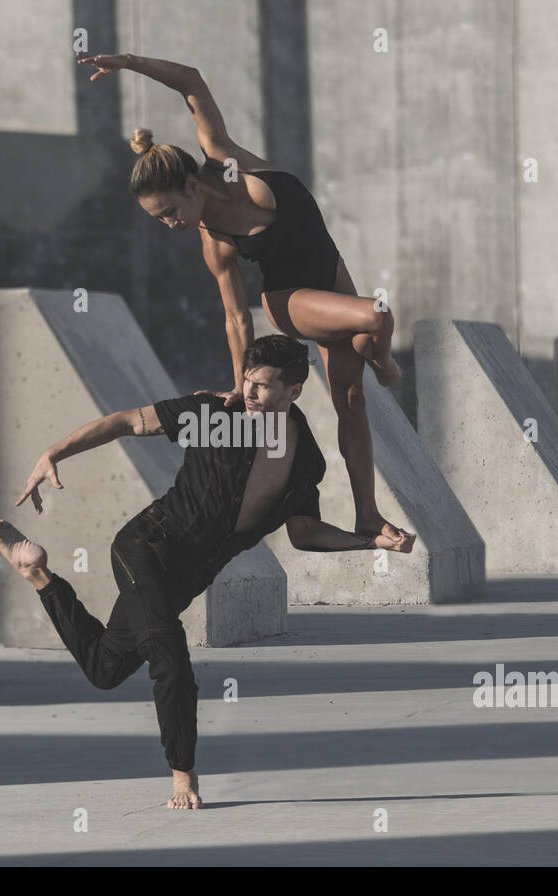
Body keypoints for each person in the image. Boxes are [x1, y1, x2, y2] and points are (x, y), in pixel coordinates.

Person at [0, 335, 413, 810]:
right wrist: (54, 453)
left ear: (294, 390)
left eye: (265, 386)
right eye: (248, 382)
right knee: (172, 663)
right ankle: (182, 777)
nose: (250, 393)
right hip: (144, 546)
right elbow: (125, 422)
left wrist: (369, 541)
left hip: (185, 579)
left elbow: (304, 532)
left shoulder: (305, 459)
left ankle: (38, 575)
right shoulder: (212, 414)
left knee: (105, 668)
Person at [78, 51, 413, 549]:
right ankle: (385, 362)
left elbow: (191, 80)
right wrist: (240, 386)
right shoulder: (214, 241)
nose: (170, 224)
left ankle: (367, 516)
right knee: (376, 316)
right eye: (159, 220)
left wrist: (127, 62)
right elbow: (236, 318)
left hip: (332, 274)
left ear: (192, 185)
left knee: (352, 400)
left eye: (170, 211)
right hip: (292, 300)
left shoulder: (227, 161)